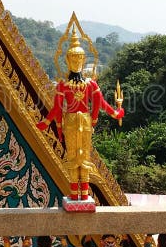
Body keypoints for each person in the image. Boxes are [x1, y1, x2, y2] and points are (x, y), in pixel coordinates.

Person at [36, 27, 124, 205]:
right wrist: (45, 122)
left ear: (83, 60)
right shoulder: (67, 85)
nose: (76, 60)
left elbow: (99, 103)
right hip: (76, 121)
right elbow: (59, 108)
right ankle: (77, 194)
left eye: (79, 57)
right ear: (67, 60)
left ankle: (82, 194)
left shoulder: (84, 84)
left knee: (82, 156)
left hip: (78, 121)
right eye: (73, 57)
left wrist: (115, 112)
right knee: (75, 157)